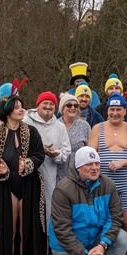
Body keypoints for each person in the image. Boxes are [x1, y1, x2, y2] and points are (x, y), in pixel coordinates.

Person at [40, 146, 127, 255]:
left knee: (122, 238)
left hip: (93, 238)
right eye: (89, 164)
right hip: (66, 244)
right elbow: (62, 230)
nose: (94, 168)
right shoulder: (63, 190)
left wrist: (103, 244)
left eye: (97, 164)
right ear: (79, 167)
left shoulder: (108, 185)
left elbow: (115, 218)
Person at [0, 82, 47, 255]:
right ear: (8, 111)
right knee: (8, 230)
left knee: (27, 228)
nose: (22, 110)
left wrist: (27, 163)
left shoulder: (32, 131)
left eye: (22, 106)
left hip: (28, 185)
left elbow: (39, 156)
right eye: (17, 106)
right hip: (6, 186)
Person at [88, 93, 127, 231]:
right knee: (102, 220)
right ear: (107, 111)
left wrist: (123, 162)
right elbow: (90, 155)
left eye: (119, 109)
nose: (115, 113)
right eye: (112, 109)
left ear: (125, 111)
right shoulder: (98, 128)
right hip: (103, 181)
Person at [25, 91, 72, 223]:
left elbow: (66, 152)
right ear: (38, 105)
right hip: (28, 175)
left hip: (50, 176)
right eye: (45, 103)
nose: (48, 106)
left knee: (47, 213)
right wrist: (39, 150)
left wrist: (55, 153)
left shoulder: (60, 127)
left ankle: (46, 242)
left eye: (51, 104)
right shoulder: (26, 121)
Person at [59, 92, 91, 173]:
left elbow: (90, 149)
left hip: (79, 173)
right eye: (69, 105)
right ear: (62, 109)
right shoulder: (55, 125)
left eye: (76, 105)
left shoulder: (85, 125)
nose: (73, 108)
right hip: (58, 173)